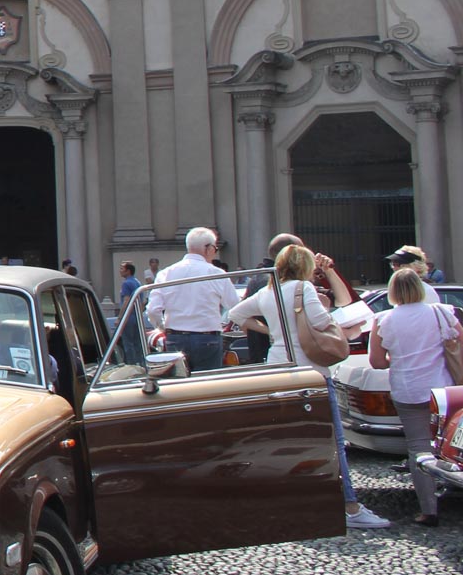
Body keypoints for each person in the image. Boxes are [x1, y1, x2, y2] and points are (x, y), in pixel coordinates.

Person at [228, 243, 390, 530]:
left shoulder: (268, 292)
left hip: (277, 368)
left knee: (289, 439)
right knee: (334, 440)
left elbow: (236, 314)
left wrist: (274, 333)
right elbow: (324, 323)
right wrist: (343, 328)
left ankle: (294, 500)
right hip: (309, 371)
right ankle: (349, 506)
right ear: (304, 266)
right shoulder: (304, 290)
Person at [371, 264, 462, 527]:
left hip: (408, 389)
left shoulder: (383, 320)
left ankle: (428, 510)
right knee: (452, 445)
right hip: (442, 390)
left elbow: (377, 362)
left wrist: (396, 356)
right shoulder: (441, 312)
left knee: (418, 448)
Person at [145, 227, 237, 372]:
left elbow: (152, 309)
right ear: (207, 248)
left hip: (175, 337)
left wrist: (162, 327)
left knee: (178, 387)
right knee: (207, 386)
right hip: (208, 339)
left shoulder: (166, 273)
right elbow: (235, 306)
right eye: (215, 248)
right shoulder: (216, 273)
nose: (215, 251)